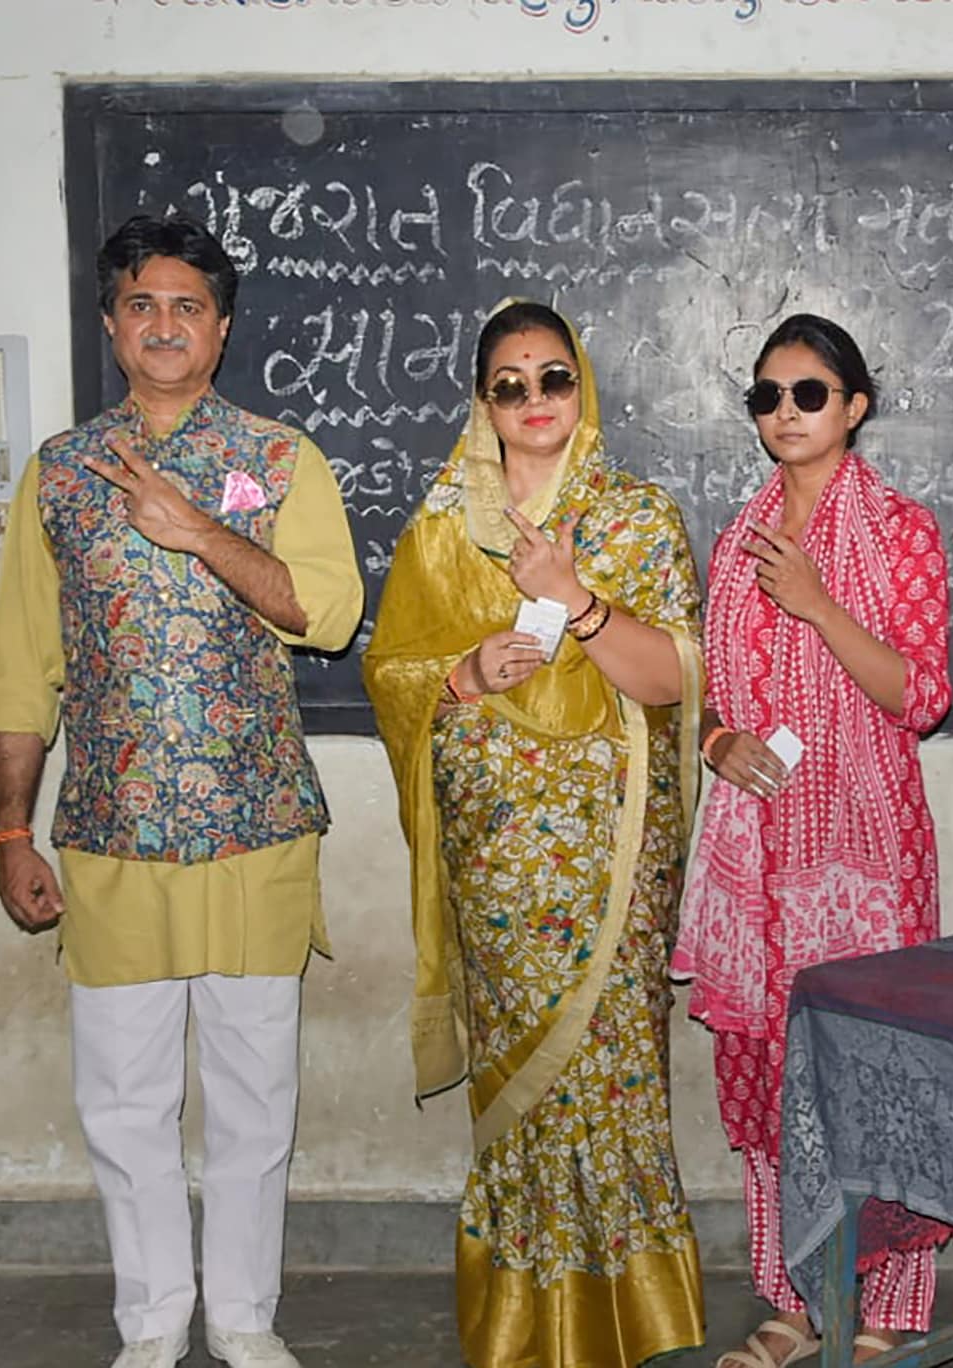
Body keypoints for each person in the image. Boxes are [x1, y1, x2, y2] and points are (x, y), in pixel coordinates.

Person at [0, 214, 362, 1368]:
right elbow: (18, 667)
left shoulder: (283, 459)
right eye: (140, 304)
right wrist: (9, 828)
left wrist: (197, 530)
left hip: (254, 831)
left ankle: (243, 1319)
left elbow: (331, 615)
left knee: (253, 1100)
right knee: (124, 1102)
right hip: (110, 836)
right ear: (109, 323)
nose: (162, 325)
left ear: (222, 327)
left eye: (186, 305)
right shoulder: (60, 470)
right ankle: (150, 1323)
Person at [362, 300, 707, 1368]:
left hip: (610, 851)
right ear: (483, 398)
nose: (533, 403)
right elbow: (393, 671)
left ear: (581, 385)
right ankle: (527, 1319)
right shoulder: (440, 527)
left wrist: (577, 603)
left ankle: (629, 1317)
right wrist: (462, 676)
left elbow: (679, 679)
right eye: (507, 385)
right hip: (497, 852)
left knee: (610, 1067)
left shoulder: (635, 517)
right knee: (524, 1072)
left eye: (551, 378)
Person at [675, 315, 953, 1367]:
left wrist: (819, 604)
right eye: (766, 397)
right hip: (753, 855)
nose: (783, 414)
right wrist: (716, 740)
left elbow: (920, 695)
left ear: (854, 407)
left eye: (806, 394)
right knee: (762, 1074)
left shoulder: (899, 529)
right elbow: (710, 695)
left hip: (861, 857)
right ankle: (791, 1298)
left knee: (865, 1073)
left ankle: (886, 1310)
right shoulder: (739, 530)